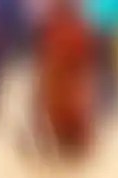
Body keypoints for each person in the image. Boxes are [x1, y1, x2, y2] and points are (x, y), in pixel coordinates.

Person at [36, 0, 97, 154]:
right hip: (63, 74)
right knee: (64, 105)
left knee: (65, 105)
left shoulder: (64, 27)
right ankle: (68, 140)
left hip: (64, 74)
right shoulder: (65, 26)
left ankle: (70, 140)